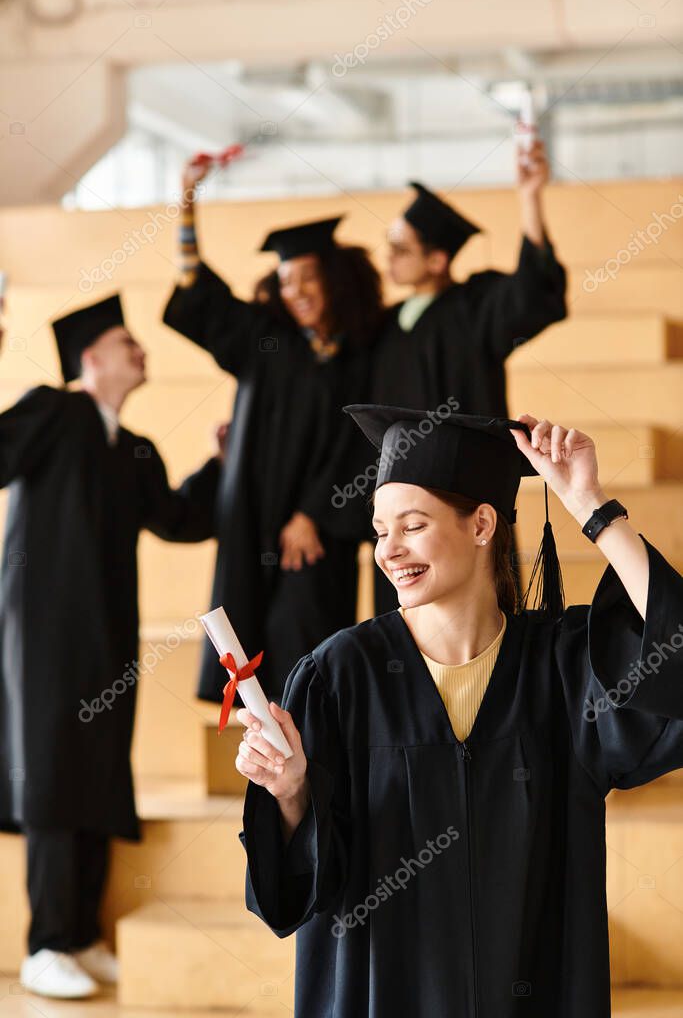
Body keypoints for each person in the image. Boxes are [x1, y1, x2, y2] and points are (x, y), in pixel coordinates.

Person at [233, 404, 682, 1018]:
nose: (389, 551)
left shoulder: (565, 668)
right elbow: (296, 892)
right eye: (380, 531)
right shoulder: (339, 677)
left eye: (413, 526)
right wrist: (290, 794)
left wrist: (591, 506)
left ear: (482, 525)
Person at [0, 294, 221, 1000]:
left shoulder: (134, 448)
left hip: (106, 639)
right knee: (52, 773)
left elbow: (180, 518)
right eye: (128, 341)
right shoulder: (52, 410)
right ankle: (44, 944)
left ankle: (81, 937)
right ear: (90, 357)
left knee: (96, 769)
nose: (141, 349)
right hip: (43, 637)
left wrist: (221, 462)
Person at [162, 157, 382, 706]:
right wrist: (186, 198)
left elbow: (363, 446)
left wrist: (313, 513)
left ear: (334, 280)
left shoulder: (365, 354)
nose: (296, 291)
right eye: (286, 281)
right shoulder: (264, 341)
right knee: (251, 661)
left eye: (308, 278)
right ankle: (267, 758)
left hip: (317, 537)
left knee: (309, 660)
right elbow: (196, 286)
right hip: (255, 527)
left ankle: (313, 757)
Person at [371, 138, 567, 612]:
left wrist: (529, 198)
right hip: (401, 497)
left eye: (400, 248)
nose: (388, 257)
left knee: (482, 609)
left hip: (465, 492)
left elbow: (531, 294)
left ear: (437, 260)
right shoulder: (384, 326)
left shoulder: (474, 307)